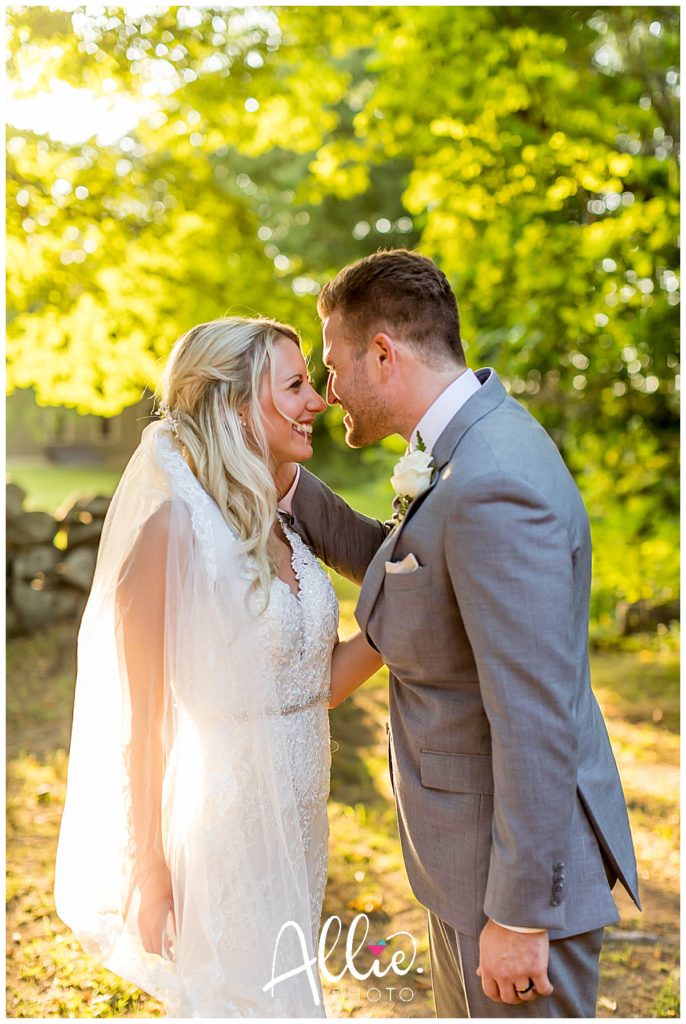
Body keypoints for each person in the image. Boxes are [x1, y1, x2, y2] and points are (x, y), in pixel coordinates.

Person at [278, 249, 641, 1017]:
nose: (328, 387)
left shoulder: (492, 480)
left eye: (334, 364)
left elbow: (534, 715)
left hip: (509, 885)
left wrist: (518, 914)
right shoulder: (462, 450)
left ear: (383, 354)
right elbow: (410, 565)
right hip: (466, 861)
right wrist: (283, 477)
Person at [54, 316, 382, 1017]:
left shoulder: (283, 520)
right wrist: (151, 867)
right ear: (235, 406)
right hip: (223, 827)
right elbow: (141, 723)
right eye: (295, 386)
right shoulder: (170, 534)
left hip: (298, 822)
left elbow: (312, 684)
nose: (317, 401)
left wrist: (404, 616)